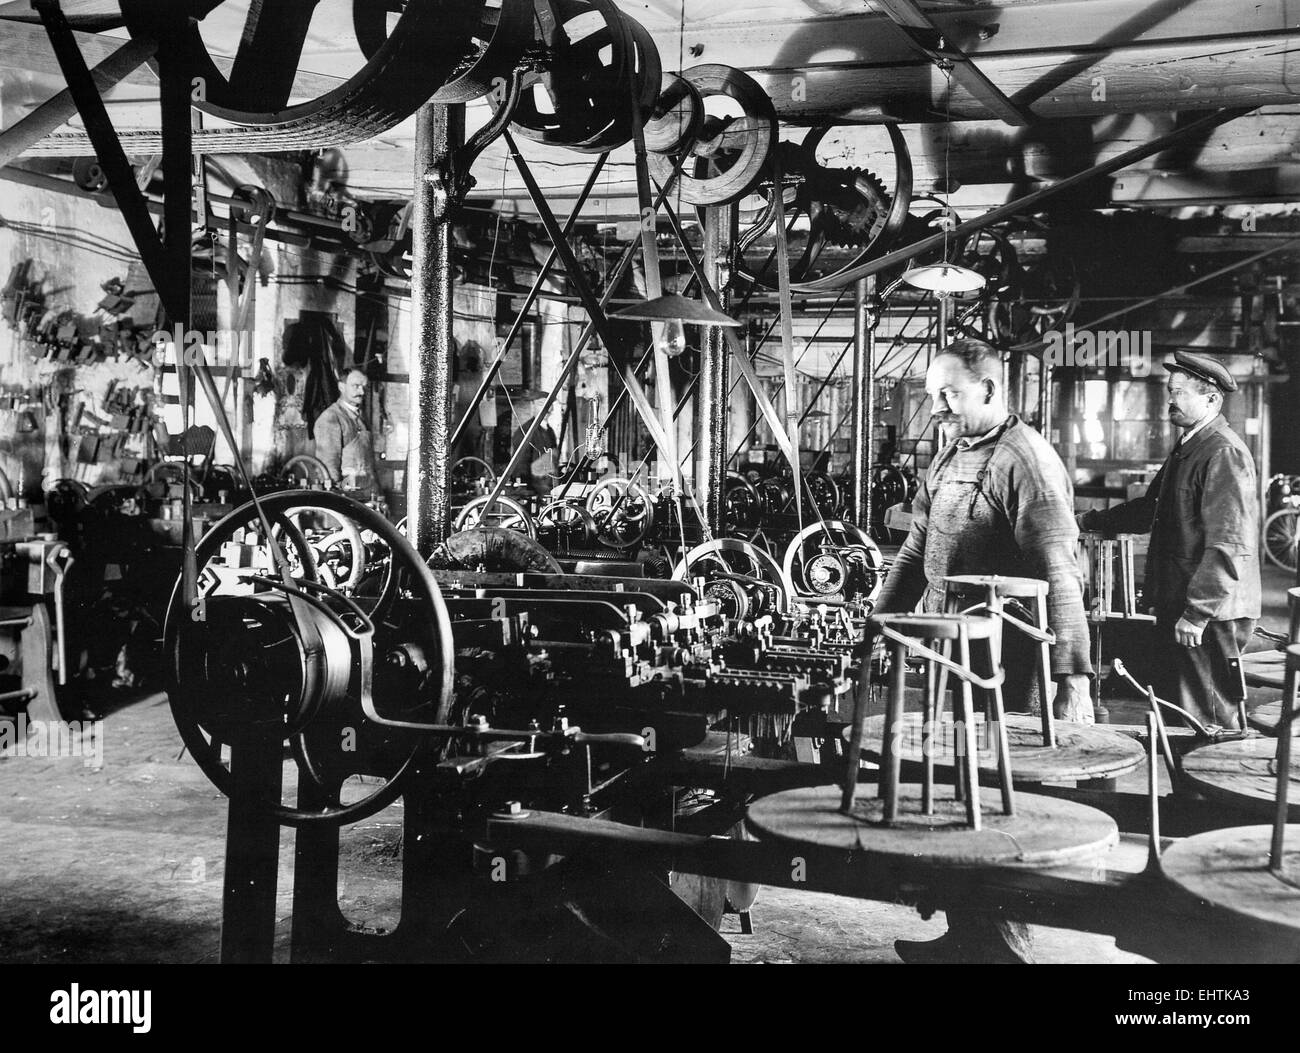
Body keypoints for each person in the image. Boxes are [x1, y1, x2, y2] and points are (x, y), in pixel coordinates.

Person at [875, 338, 1094, 965]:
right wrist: (879, 616)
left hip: (1009, 664)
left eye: (949, 395)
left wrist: (1071, 679)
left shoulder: (1027, 462)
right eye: (933, 395)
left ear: (991, 390)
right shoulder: (953, 452)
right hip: (954, 657)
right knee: (956, 790)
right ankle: (968, 935)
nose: (938, 407)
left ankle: (1003, 947)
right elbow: (919, 544)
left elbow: (1060, 572)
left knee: (1001, 800)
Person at [1078, 351, 1260, 729]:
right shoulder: (1189, 447)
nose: (1170, 400)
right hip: (1182, 602)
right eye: (1170, 391)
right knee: (1179, 712)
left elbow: (1230, 544)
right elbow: (1149, 510)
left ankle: (1207, 788)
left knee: (1206, 717)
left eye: (1179, 392)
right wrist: (1084, 520)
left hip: (1210, 612)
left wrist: (1196, 613)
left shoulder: (1222, 451)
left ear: (1211, 399)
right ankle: (1184, 789)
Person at [313, 368, 380, 498]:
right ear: (341, 387)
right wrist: (337, 498)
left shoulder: (361, 417)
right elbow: (328, 464)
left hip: (367, 493)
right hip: (347, 495)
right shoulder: (331, 418)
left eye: (364, 387)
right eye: (356, 386)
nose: (361, 391)